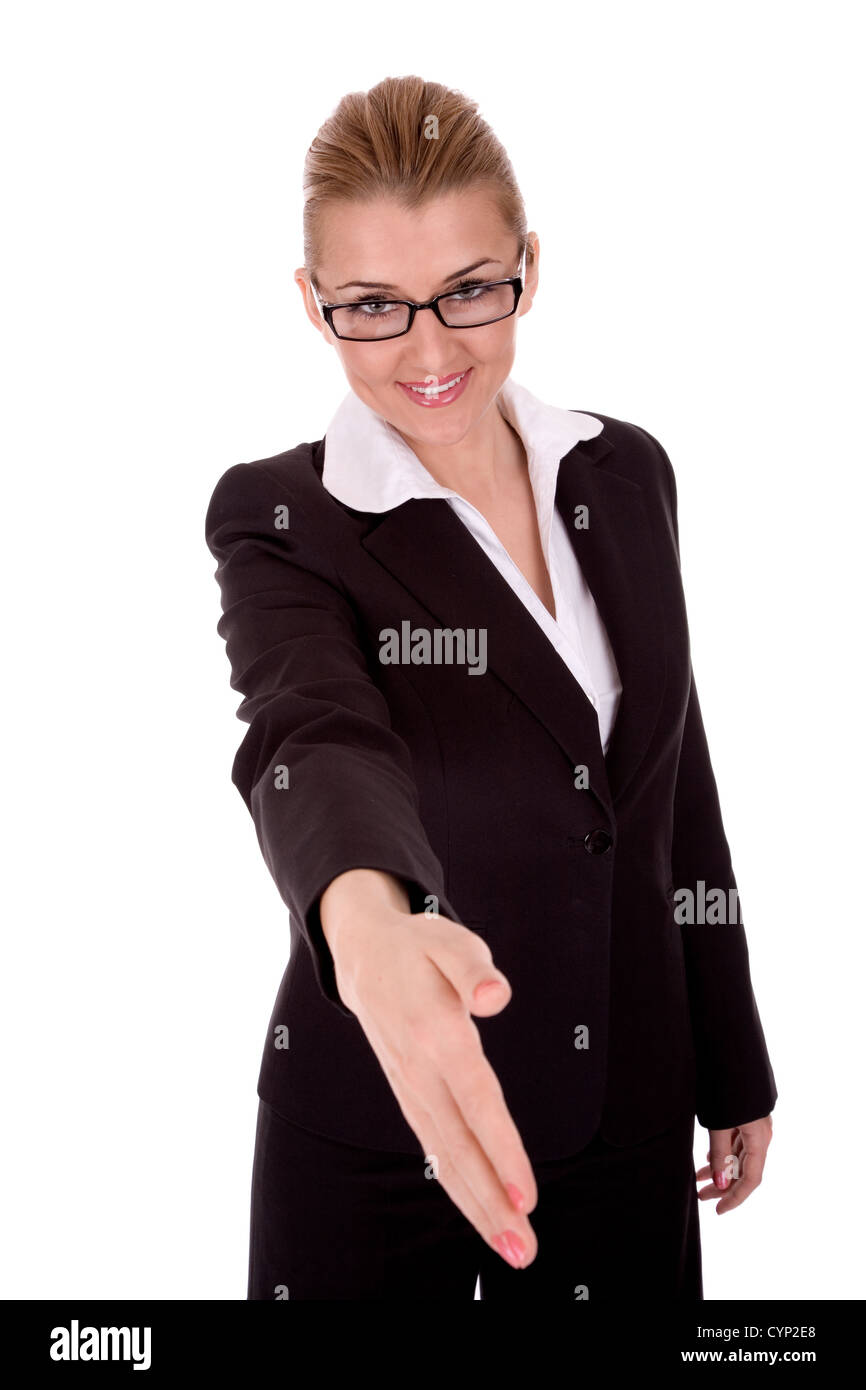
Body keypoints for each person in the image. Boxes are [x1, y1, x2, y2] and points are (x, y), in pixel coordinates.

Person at [205, 74, 777, 1302]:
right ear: (312, 304)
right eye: (372, 305)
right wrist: (366, 922)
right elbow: (311, 728)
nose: (427, 349)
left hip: (625, 1113)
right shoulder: (284, 516)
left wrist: (730, 1062)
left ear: (527, 263)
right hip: (375, 1132)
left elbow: (673, 780)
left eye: (468, 288)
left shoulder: (623, 473)